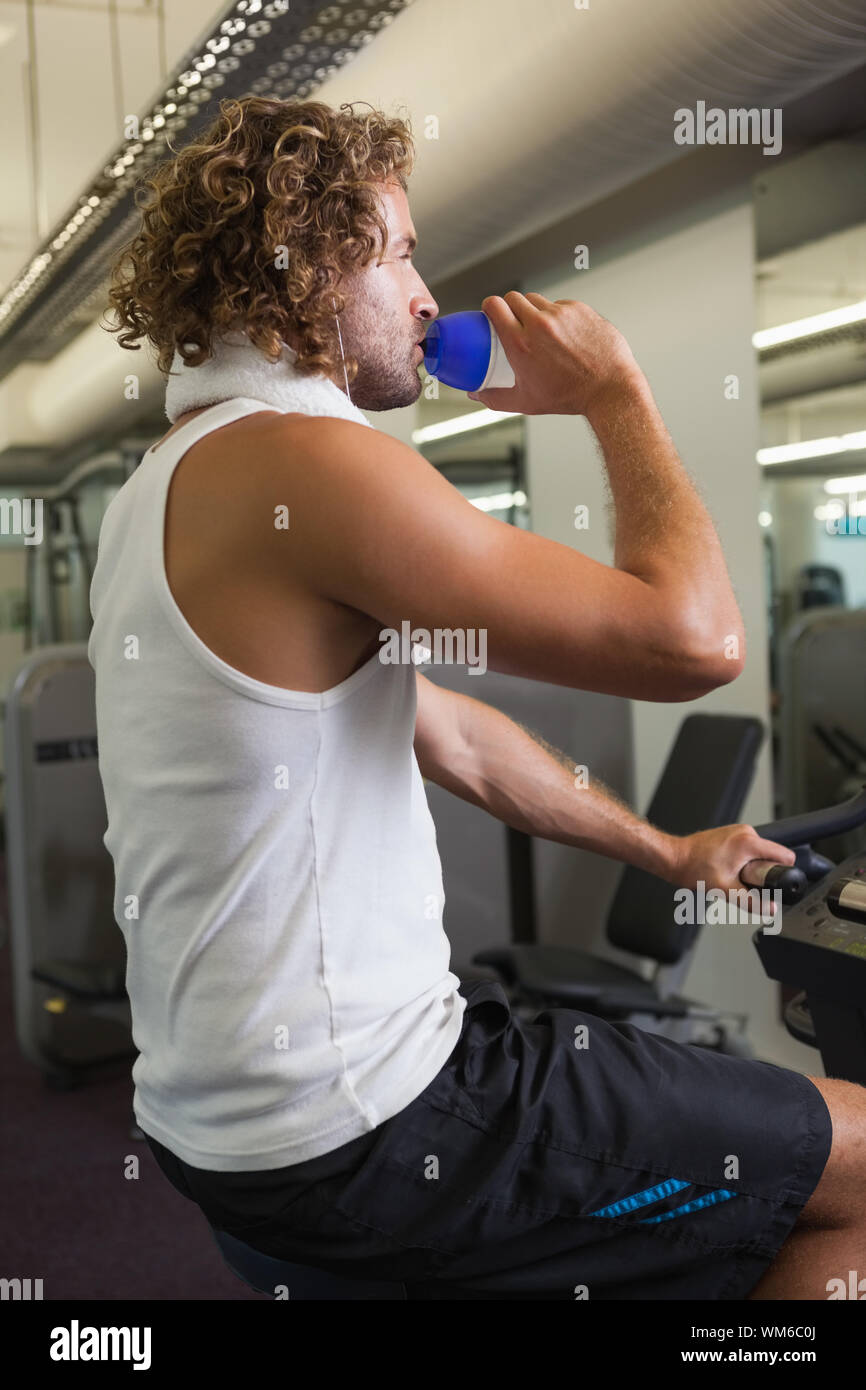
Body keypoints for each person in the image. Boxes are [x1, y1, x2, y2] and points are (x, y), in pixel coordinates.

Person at [92, 94, 862, 1300]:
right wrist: (614, 390)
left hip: (229, 1129)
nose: (423, 295)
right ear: (305, 270)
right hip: (367, 1124)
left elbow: (450, 734)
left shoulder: (159, 489)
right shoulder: (306, 462)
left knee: (734, 1191)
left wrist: (665, 850)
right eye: (398, 253)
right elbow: (697, 639)